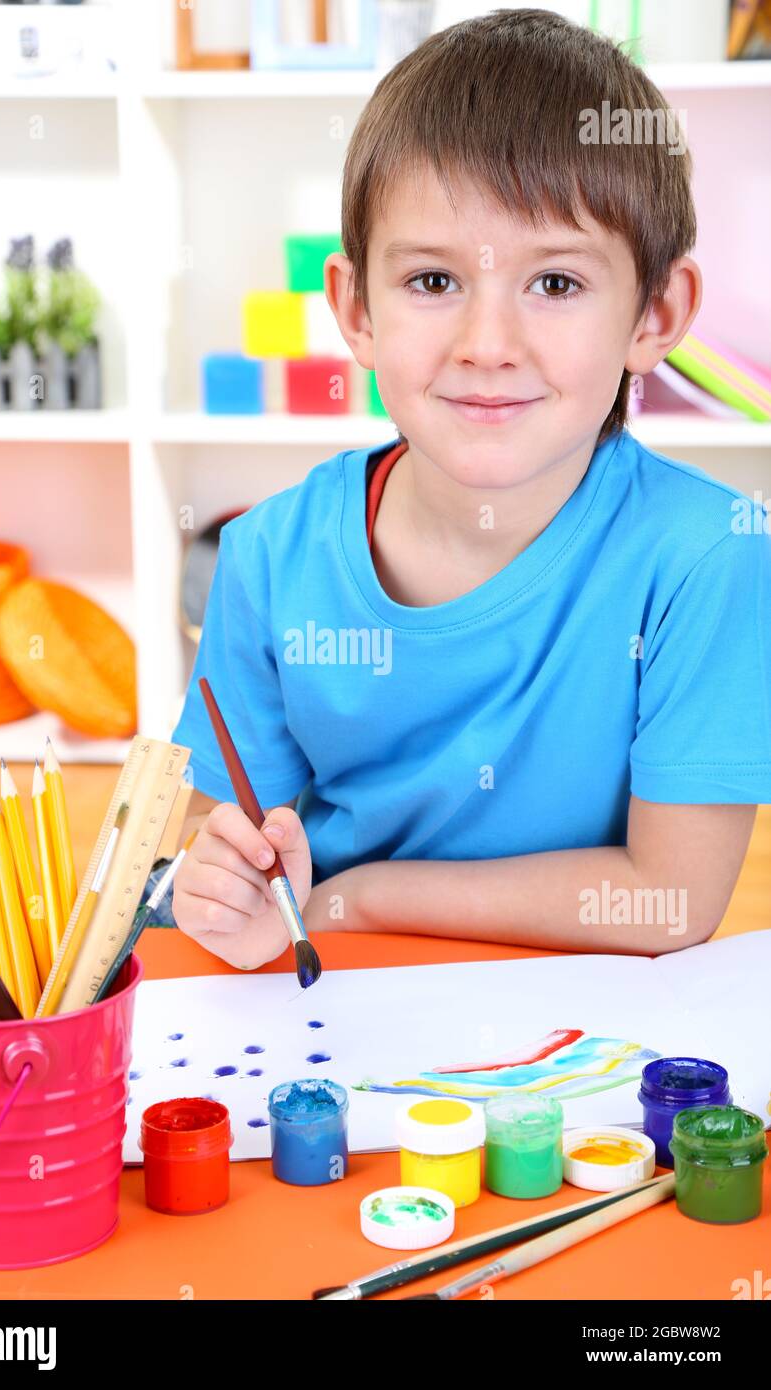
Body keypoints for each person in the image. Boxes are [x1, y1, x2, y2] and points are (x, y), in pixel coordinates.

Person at [167, 10, 771, 965]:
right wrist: (212, 889)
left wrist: (351, 899)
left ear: (656, 314)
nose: (488, 346)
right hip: (329, 1026)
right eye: (435, 282)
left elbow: (669, 901)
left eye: (558, 284)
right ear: (357, 309)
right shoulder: (268, 556)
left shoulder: (710, 552)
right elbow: (216, 864)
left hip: (581, 1057)